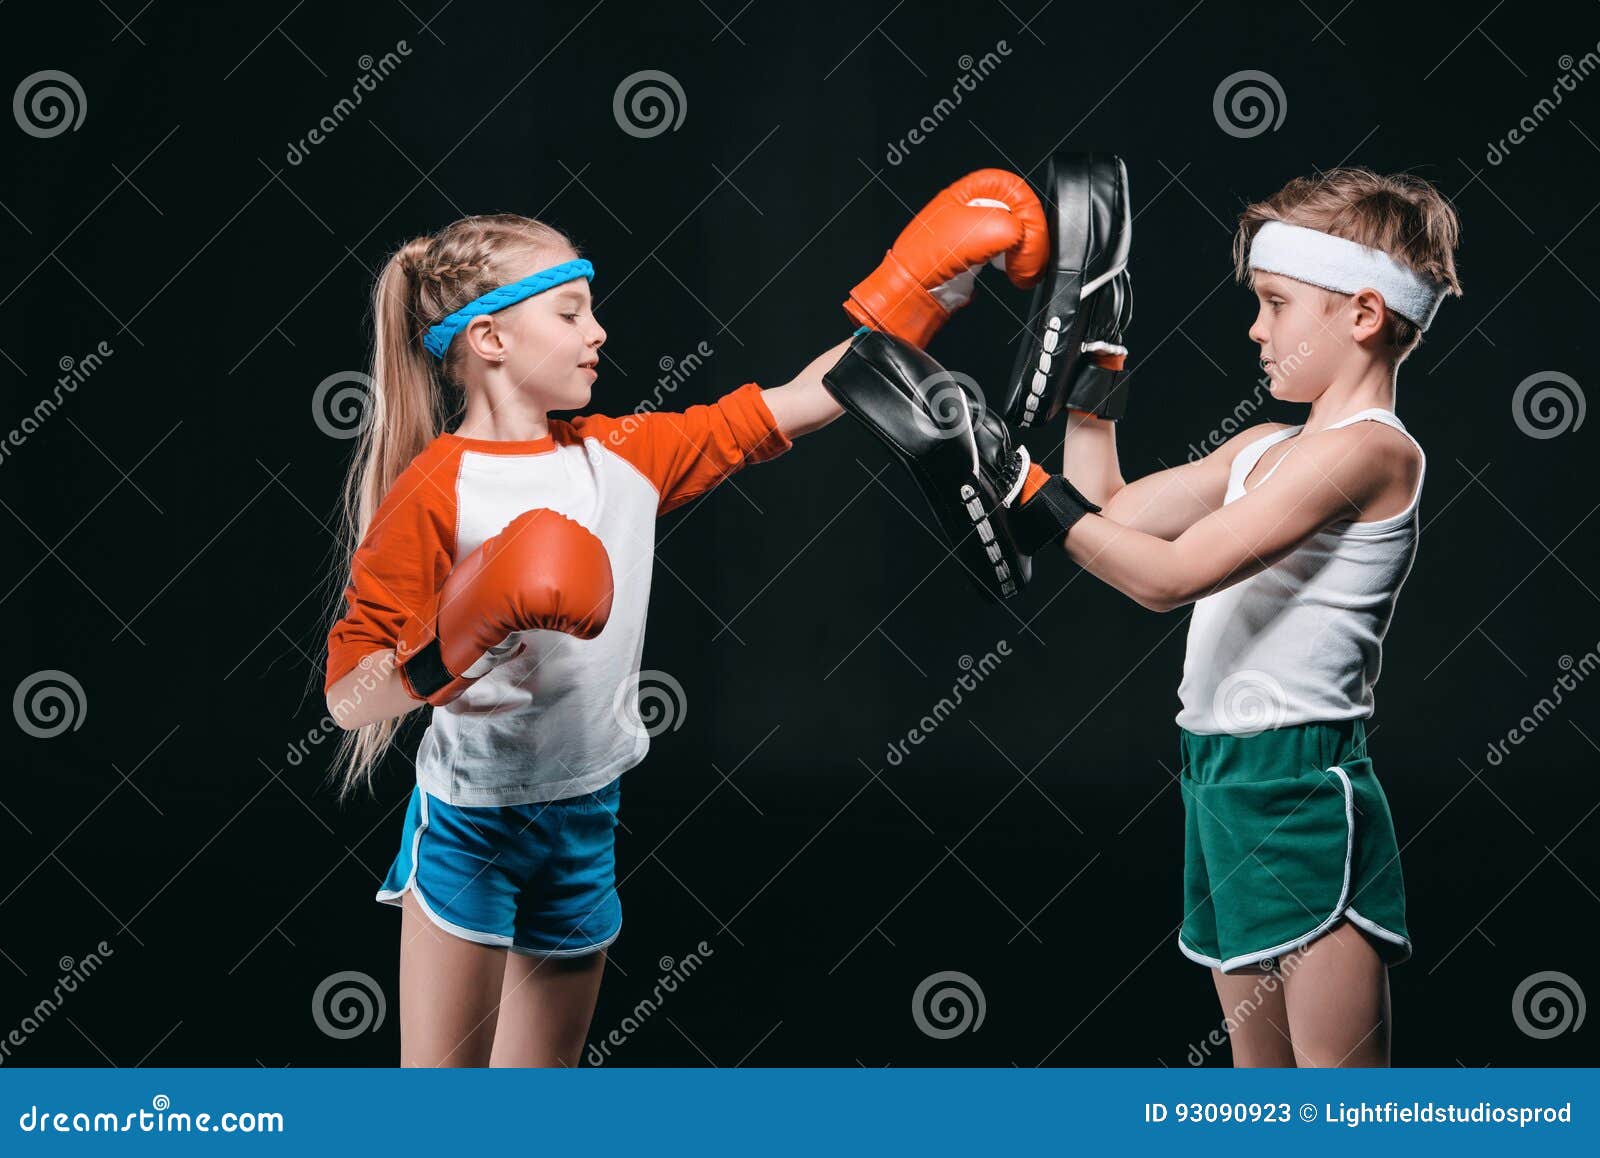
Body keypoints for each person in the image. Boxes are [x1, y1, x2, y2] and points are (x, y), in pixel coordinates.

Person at [323, 184, 1045, 1067]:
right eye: (571, 312)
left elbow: (803, 399)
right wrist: (457, 641)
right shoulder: (436, 490)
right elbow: (351, 702)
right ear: (491, 339)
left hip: (586, 810)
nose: (599, 333)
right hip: (472, 821)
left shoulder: (622, 456)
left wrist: (920, 290)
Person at [1011, 167, 1462, 1066]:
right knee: (1262, 1100)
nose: (1256, 329)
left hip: (1298, 785)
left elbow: (1166, 577)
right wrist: (1093, 371)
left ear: (1363, 315)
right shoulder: (1265, 446)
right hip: (1218, 777)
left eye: (1276, 302)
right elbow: (1107, 513)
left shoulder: (1373, 453)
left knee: (1341, 1114)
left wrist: (1022, 491)